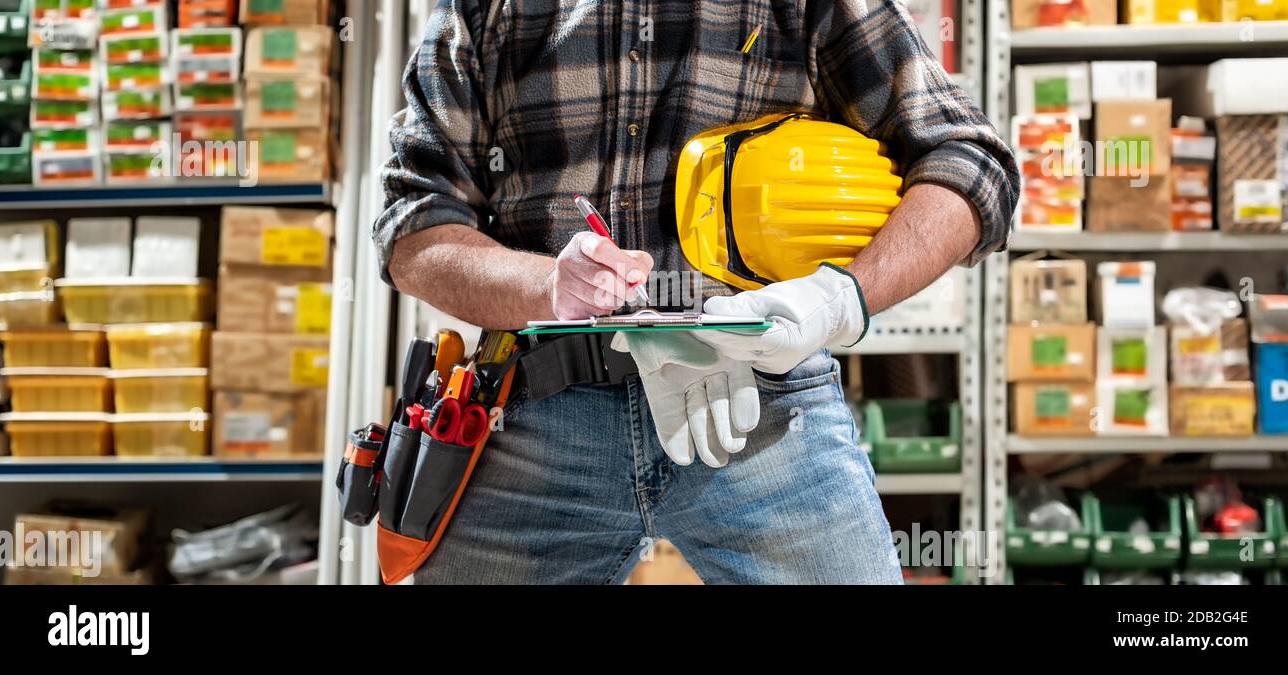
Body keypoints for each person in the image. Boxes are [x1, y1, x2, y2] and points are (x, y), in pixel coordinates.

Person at [374, 0, 1019, 584]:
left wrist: (839, 300)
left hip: (763, 401)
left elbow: (969, 163)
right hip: (536, 407)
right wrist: (549, 286)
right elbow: (413, 223)